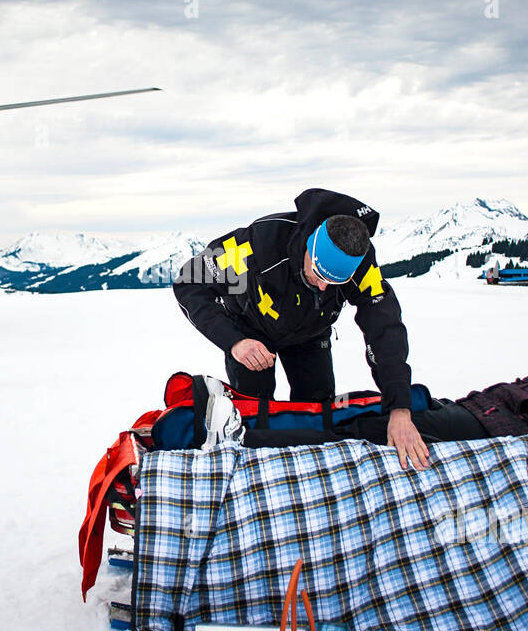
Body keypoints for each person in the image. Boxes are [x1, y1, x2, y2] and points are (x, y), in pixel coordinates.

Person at [174, 189, 428, 469]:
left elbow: (384, 328)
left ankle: (312, 477)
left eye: (334, 283)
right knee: (254, 414)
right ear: (309, 246)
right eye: (318, 274)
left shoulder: (361, 264)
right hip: (251, 332)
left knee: (318, 413)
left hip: (311, 332)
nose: (323, 287)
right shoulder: (258, 244)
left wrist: (399, 407)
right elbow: (189, 282)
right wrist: (235, 342)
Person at [200, 353, 528, 454]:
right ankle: (246, 423)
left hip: (480, 430)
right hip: (469, 410)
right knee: (358, 414)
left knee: (357, 434)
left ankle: (246, 440)